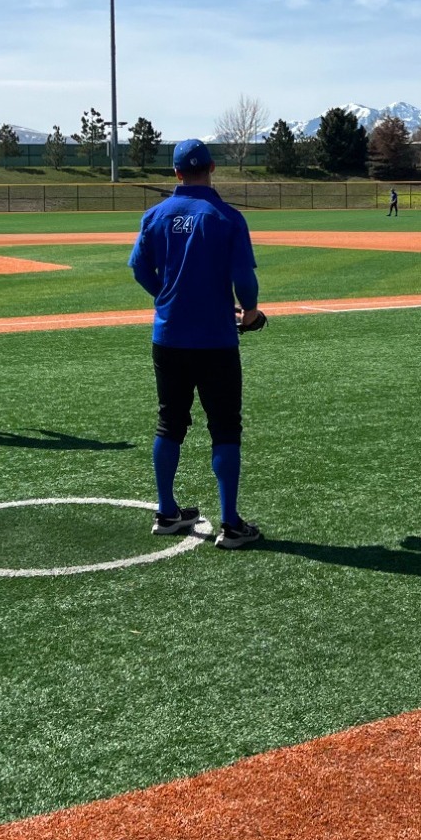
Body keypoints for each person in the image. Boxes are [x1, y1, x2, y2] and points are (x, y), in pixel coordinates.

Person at [129, 139, 263, 550]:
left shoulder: (155, 214)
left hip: (168, 336)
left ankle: (167, 512)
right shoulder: (226, 216)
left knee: (170, 421)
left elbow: (138, 267)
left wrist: (164, 295)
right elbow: (245, 280)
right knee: (224, 426)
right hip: (215, 339)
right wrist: (251, 312)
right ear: (213, 168)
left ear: (176, 173)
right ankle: (230, 524)